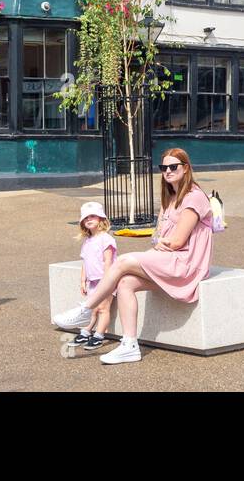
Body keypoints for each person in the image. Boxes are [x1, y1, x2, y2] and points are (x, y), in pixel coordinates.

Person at [52, 148, 215, 365]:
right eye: (164, 167)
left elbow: (177, 241)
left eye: (173, 166)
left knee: (122, 261)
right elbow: (157, 238)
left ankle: (86, 309)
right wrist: (161, 242)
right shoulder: (170, 198)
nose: (167, 171)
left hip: (186, 264)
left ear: (185, 168)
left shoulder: (194, 197)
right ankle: (129, 345)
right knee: (125, 283)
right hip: (168, 259)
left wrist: (163, 242)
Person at [73, 201, 117, 352]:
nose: (89, 219)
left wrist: (107, 281)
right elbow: (85, 262)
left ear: (101, 219)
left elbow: (108, 261)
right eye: (86, 218)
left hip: (106, 280)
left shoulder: (106, 239)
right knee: (92, 308)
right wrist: (83, 280)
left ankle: (98, 335)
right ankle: (86, 331)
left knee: (103, 308)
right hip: (92, 281)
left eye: (92, 216)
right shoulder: (87, 241)